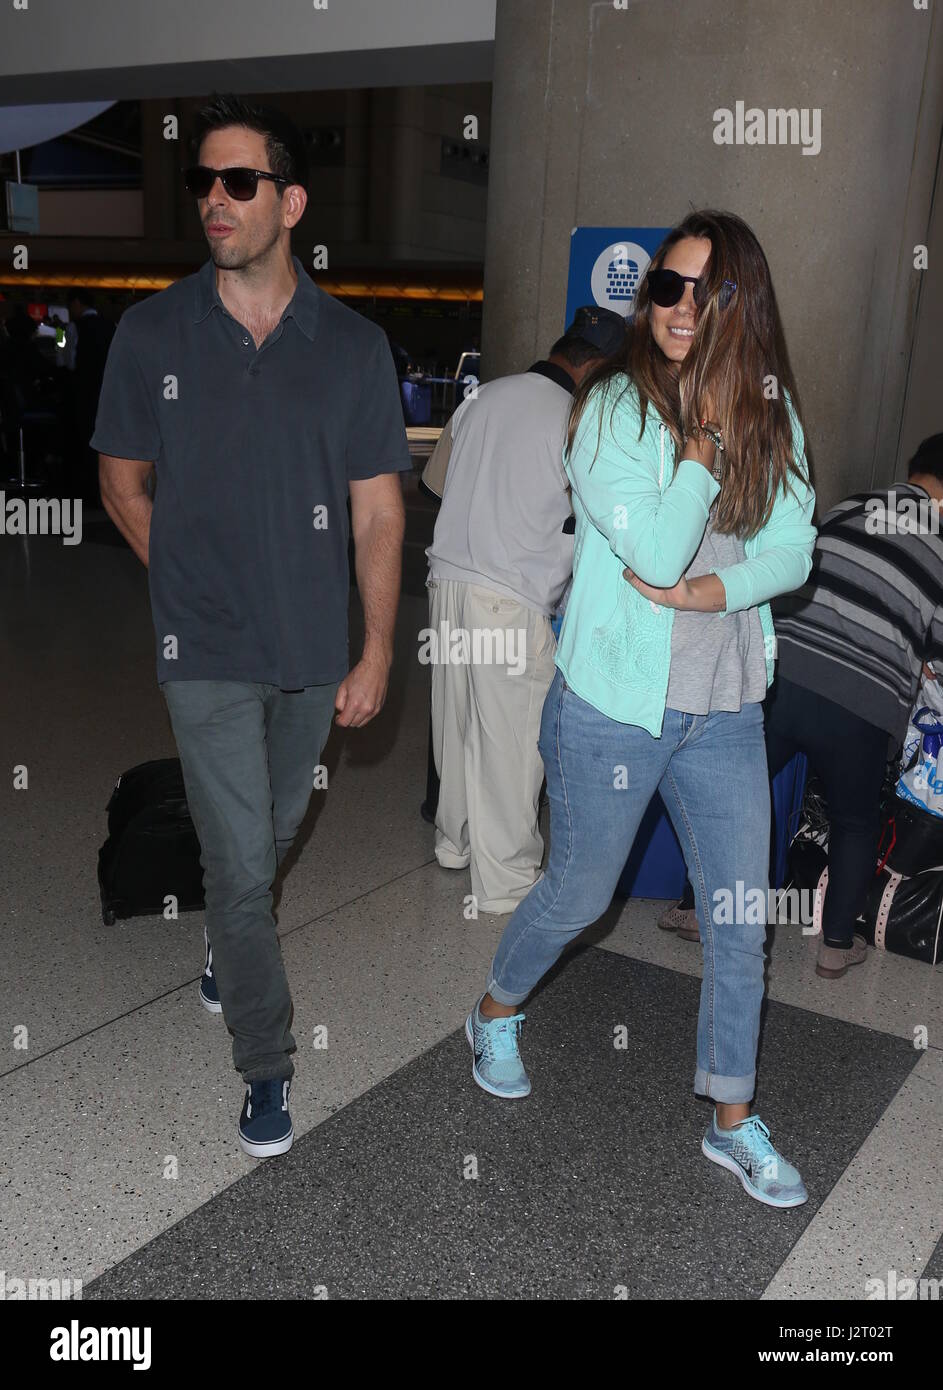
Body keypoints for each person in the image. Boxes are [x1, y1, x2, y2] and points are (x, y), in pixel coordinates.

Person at [464, 210, 818, 1210]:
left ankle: (732, 1117)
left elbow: (795, 550)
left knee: (739, 921)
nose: (678, 307)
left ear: (740, 302)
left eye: (703, 290)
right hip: (616, 705)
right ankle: (494, 1008)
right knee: (580, 896)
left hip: (727, 707)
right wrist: (703, 440)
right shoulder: (614, 409)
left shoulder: (772, 411)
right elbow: (655, 554)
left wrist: (717, 593)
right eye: (664, 286)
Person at [93, 93, 411, 1159]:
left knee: (272, 832)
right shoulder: (152, 332)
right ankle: (265, 1062)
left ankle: (232, 952)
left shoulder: (353, 345)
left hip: (314, 647)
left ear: (291, 203)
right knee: (236, 864)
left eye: (239, 182)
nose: (214, 201)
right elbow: (121, 482)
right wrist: (179, 582)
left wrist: (373, 649)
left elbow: (378, 507)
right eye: (203, 182)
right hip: (206, 647)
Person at [424, 306, 627, 913]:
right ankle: (508, 882)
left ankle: (453, 845)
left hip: (446, 584)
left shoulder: (481, 397)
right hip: (508, 600)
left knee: (456, 729)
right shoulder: (578, 422)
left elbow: (431, 485)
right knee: (511, 744)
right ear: (597, 370)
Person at [764, 432, 943, 974]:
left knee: (733, 792)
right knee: (856, 823)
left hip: (783, 674)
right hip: (860, 702)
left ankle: (697, 908)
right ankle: (836, 946)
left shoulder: (851, 504)